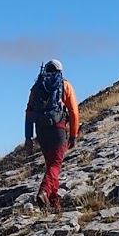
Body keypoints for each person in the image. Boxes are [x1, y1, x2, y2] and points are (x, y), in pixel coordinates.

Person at [24, 59, 80, 209]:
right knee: (55, 165)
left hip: (41, 130)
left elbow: (28, 112)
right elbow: (74, 112)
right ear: (60, 71)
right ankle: (44, 191)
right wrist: (74, 135)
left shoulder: (37, 87)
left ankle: (53, 203)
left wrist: (28, 137)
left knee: (51, 165)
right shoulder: (64, 85)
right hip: (58, 128)